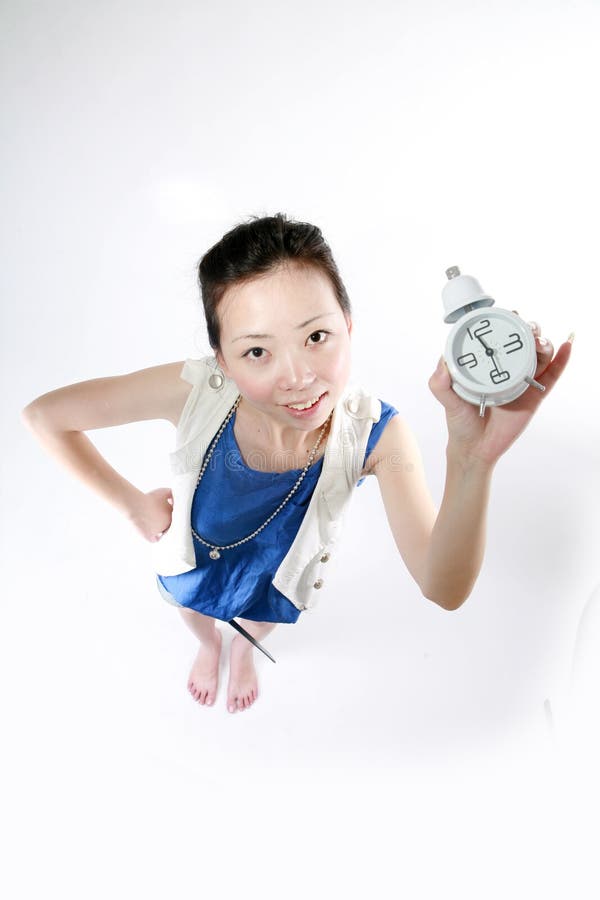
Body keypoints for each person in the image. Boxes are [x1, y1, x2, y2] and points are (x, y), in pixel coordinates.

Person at [21, 213, 572, 715]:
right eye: (257, 352)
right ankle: (210, 645)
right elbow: (45, 417)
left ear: (348, 325)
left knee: (259, 620)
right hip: (194, 557)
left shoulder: (378, 434)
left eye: (316, 336)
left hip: (277, 572)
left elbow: (442, 586)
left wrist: (473, 458)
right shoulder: (194, 388)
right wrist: (130, 505)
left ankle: (243, 650)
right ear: (222, 361)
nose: (298, 377)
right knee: (193, 610)